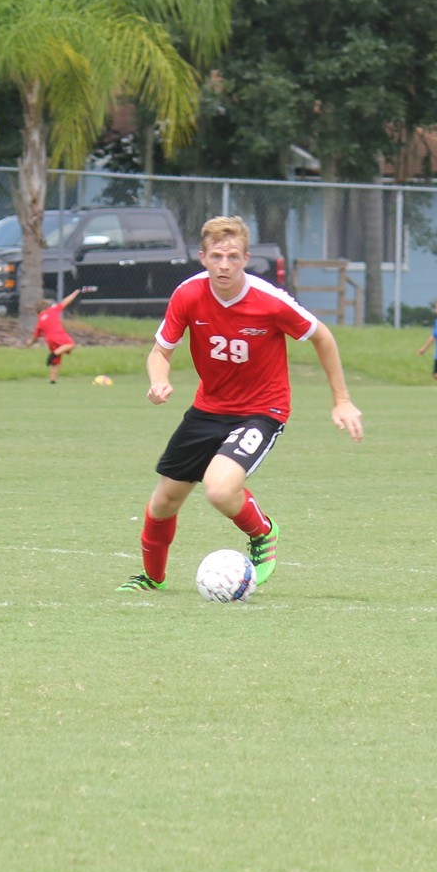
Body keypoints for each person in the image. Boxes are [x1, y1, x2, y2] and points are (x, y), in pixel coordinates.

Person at [122, 216, 364, 593]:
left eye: (233, 256)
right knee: (163, 503)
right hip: (208, 409)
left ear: (246, 258)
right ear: (202, 257)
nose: (224, 264)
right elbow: (160, 352)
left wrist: (343, 401)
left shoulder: (269, 301)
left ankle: (263, 533)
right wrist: (159, 380)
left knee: (219, 489)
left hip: (261, 411)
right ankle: (152, 579)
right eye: (216, 255)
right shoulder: (187, 294)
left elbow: (323, 337)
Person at [30, 286, 83, 383]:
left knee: (56, 362)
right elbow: (65, 302)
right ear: (47, 307)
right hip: (58, 335)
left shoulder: (39, 321)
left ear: (37, 312)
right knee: (70, 344)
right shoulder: (53, 310)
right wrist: (74, 294)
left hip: (50, 340)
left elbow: (35, 336)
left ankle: (52, 380)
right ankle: (54, 353)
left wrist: (29, 343)